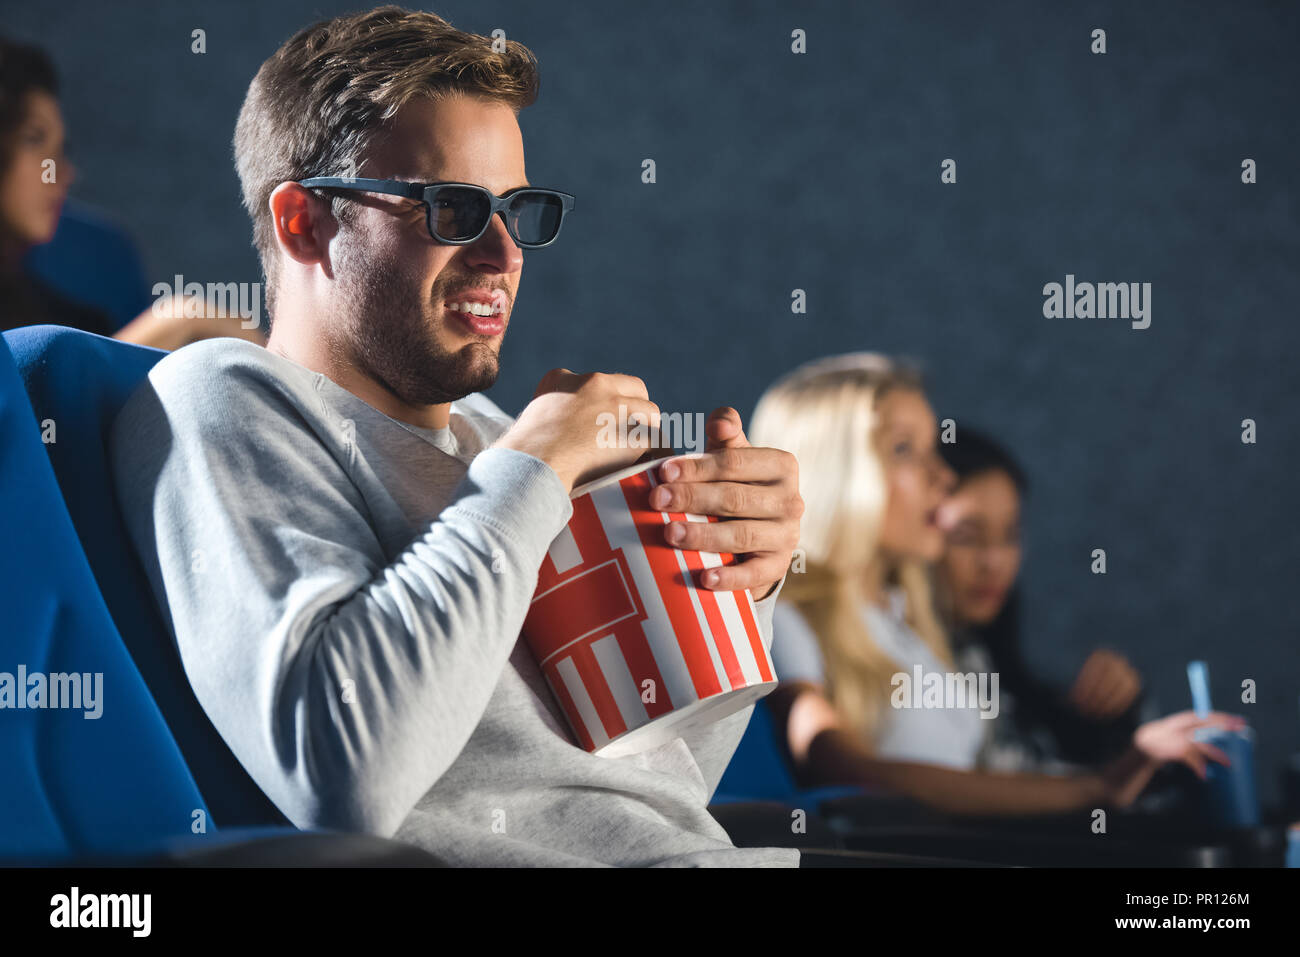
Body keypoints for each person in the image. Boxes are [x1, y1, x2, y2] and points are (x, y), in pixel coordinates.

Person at [110, 7, 804, 867]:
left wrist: (735, 574)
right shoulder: (221, 396)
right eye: (450, 207)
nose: (504, 253)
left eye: (518, 210)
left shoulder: (498, 439)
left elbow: (654, 789)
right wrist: (535, 469)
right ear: (303, 223)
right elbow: (348, 775)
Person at [755, 352, 1241, 815]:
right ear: (834, 472)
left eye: (933, 450)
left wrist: (1125, 754)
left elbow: (997, 772)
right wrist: (1098, 787)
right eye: (906, 450)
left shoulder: (907, 618)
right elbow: (837, 765)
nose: (942, 477)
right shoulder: (785, 617)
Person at [0, 35, 262, 348]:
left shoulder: (72, 318)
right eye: (33, 139)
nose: (62, 173)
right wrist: (180, 320)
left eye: (61, 150)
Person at [935, 428, 1146, 773]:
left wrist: (1112, 714)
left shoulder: (986, 662)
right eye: (966, 537)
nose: (994, 562)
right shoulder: (907, 671)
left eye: (1010, 535)